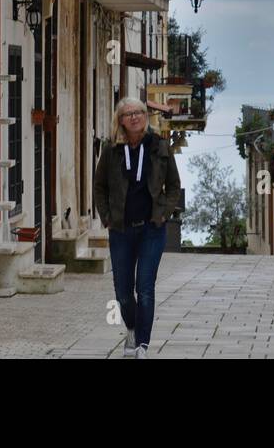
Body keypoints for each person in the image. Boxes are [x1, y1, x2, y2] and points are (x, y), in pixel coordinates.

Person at [93, 97, 181, 358]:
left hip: (152, 229)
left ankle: (142, 344)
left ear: (145, 117)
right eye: (128, 113)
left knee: (145, 286)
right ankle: (131, 329)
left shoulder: (160, 147)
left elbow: (174, 186)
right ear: (120, 120)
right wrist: (107, 216)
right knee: (122, 290)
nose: (134, 117)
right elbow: (100, 186)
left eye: (139, 112)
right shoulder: (111, 150)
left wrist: (164, 213)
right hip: (120, 229)